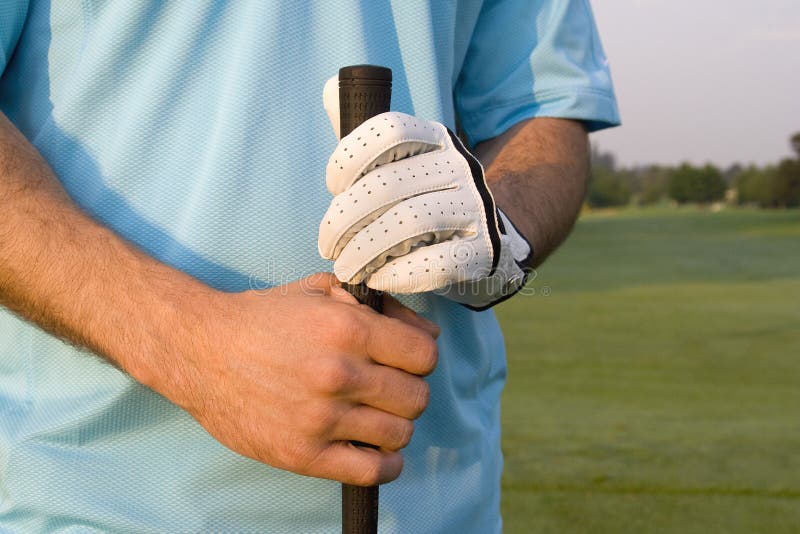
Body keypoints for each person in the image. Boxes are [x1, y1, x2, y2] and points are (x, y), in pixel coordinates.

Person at [0, 1, 619, 532]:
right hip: (95, 508)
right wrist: (193, 345)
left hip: (441, 506)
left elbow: (544, 112)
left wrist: (497, 223)